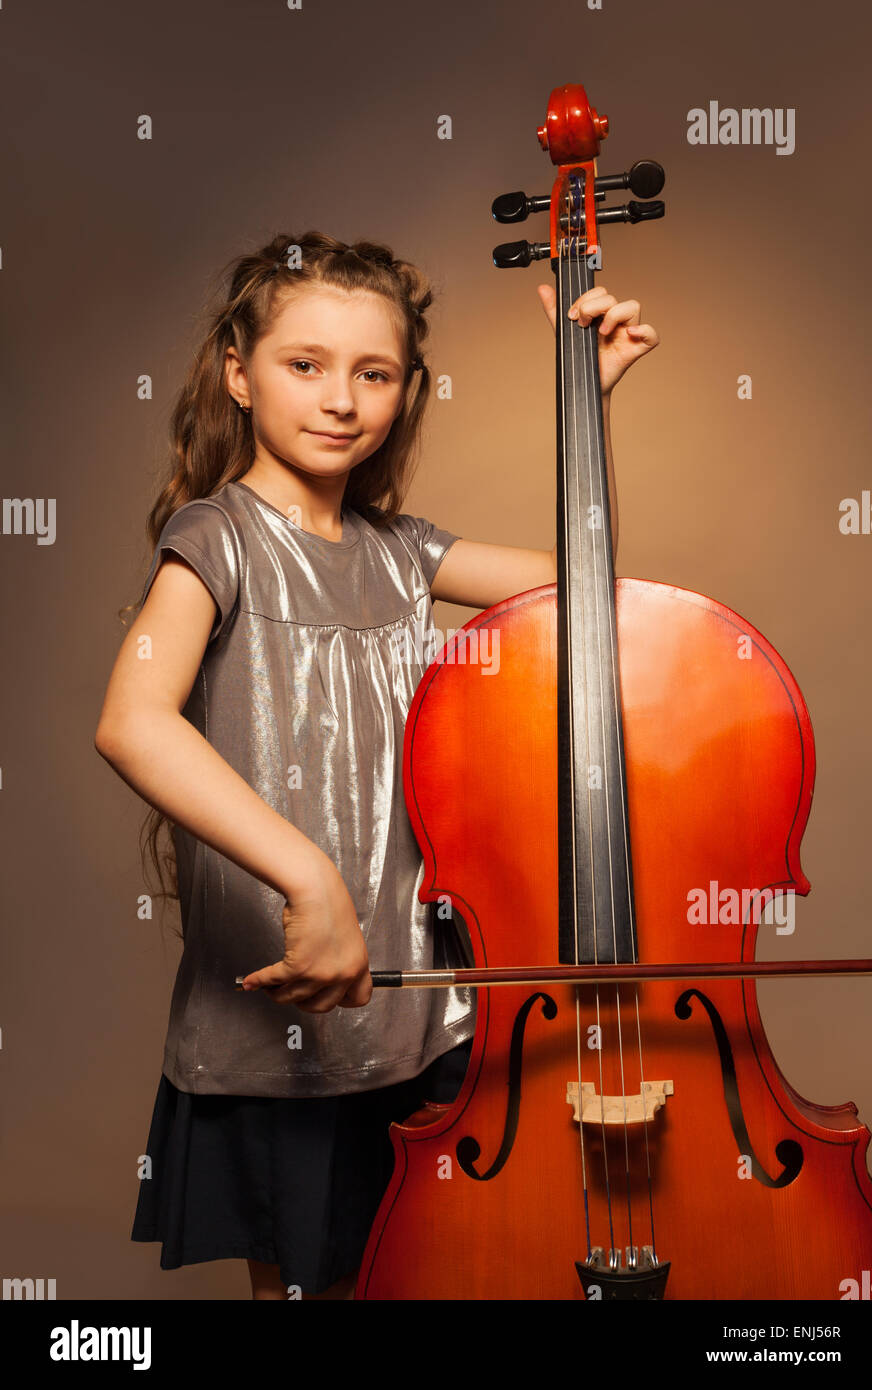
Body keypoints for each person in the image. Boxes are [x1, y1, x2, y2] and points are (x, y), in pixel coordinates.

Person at [94, 229, 658, 1300]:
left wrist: (592, 403)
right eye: (304, 365)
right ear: (237, 373)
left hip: (429, 1012)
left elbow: (586, 589)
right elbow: (131, 717)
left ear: (408, 390)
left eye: (375, 373)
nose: (340, 399)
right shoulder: (216, 539)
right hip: (287, 1028)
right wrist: (309, 879)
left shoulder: (403, 553)